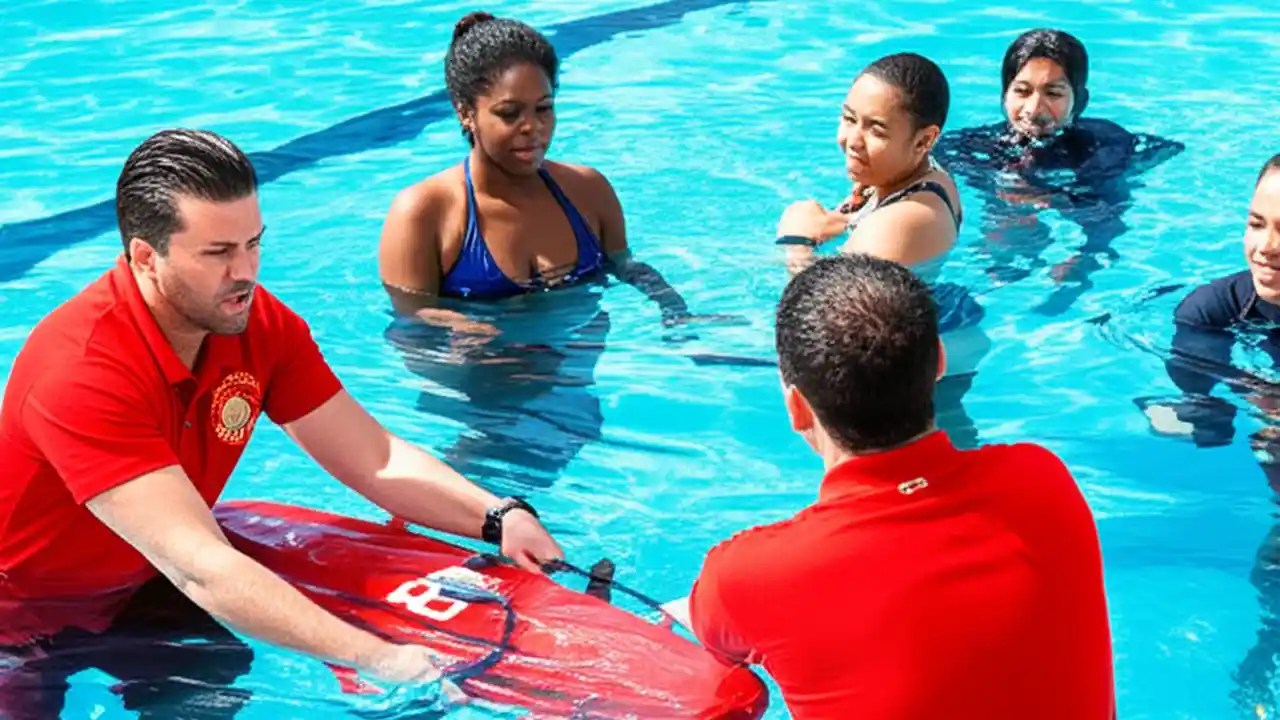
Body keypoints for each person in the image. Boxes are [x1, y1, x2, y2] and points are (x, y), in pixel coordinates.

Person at [0, 128, 563, 718]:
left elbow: (374, 458)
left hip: (139, 584)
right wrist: (378, 658)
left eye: (253, 244)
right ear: (146, 256)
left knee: (215, 683)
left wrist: (498, 517)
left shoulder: (252, 323)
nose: (245, 272)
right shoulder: (81, 369)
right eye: (218, 254)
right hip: (17, 614)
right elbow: (202, 568)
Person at [666, 253, 1115, 719]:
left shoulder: (750, 574)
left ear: (796, 408)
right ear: (939, 362)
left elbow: (706, 631)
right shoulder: (1041, 480)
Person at [376, 11, 738, 491]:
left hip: (575, 382)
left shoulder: (588, 192)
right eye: (510, 114)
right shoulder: (424, 213)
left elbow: (626, 267)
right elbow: (407, 322)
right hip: (487, 397)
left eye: (544, 109)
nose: (533, 128)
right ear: (466, 111)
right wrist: (457, 325)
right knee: (495, 494)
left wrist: (676, 314)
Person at [773, 51, 987, 448]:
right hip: (925, 339)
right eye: (848, 118)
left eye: (876, 131)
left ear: (925, 139)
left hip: (916, 372)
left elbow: (821, 321)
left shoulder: (905, 221)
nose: (851, 141)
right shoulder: (919, 173)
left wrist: (797, 243)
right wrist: (842, 221)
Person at [1137, 153, 1280, 715]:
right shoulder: (1210, 313)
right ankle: (1263, 657)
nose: (1266, 247)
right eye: (1256, 223)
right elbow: (1204, 417)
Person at [932, 28, 1184, 315]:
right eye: (1022, 91)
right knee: (1004, 245)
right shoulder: (970, 149)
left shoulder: (1100, 151)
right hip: (1012, 220)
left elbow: (1108, 216)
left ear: (1080, 101)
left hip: (1073, 198)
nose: (1034, 108)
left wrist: (1085, 258)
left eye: (1053, 93)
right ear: (1004, 95)